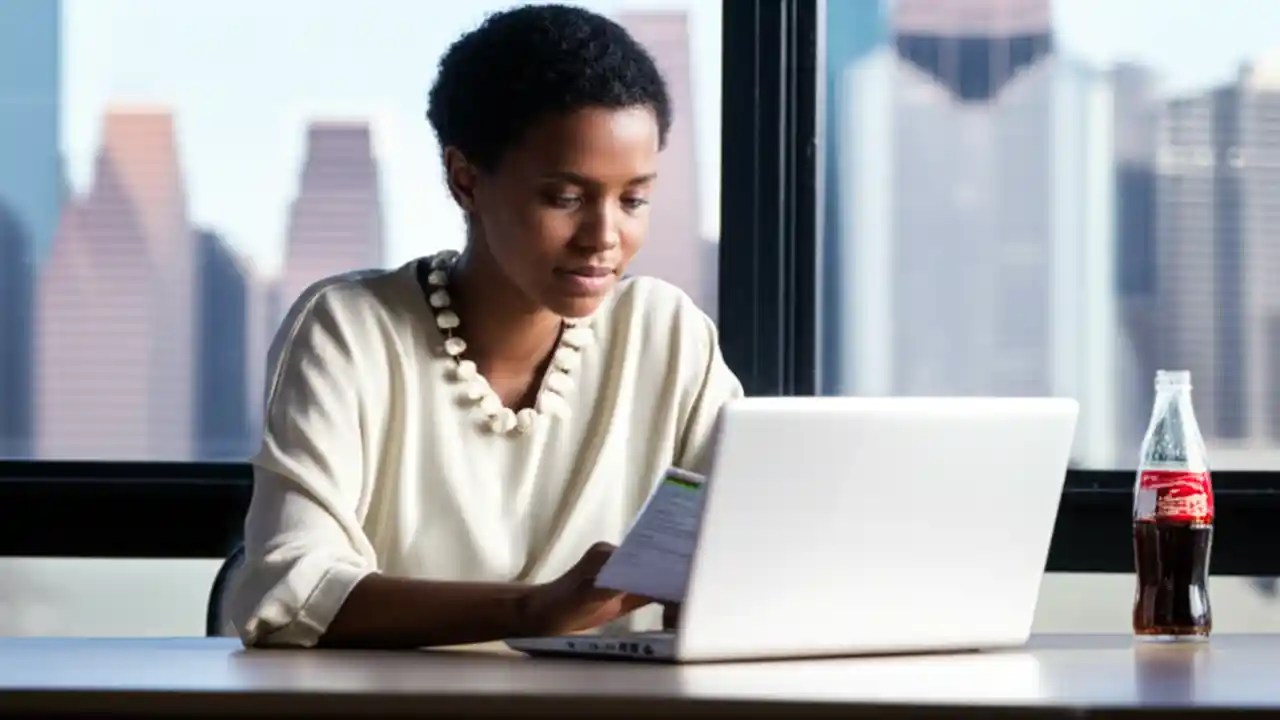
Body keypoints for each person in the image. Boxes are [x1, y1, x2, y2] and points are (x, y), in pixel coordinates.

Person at [225, 4, 742, 649]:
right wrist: (533, 611)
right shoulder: (350, 331)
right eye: (566, 198)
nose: (604, 238)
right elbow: (287, 590)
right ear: (466, 180)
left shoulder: (666, 336)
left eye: (633, 199)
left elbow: (745, 548)